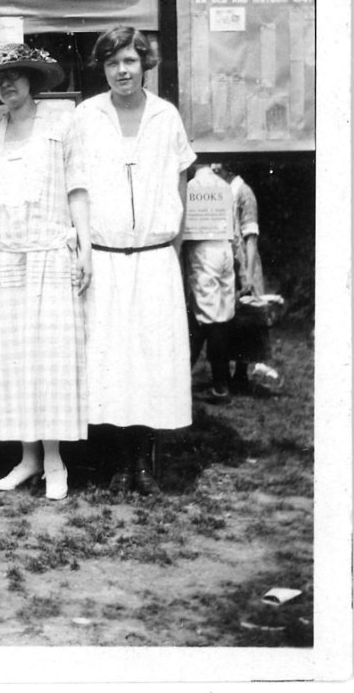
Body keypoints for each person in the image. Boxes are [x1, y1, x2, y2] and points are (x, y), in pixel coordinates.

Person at [72, 26, 195, 497]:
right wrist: (84, 248)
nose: (121, 71)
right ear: (102, 69)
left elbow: (179, 184)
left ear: (145, 63)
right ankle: (117, 462)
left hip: (153, 258)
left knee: (151, 360)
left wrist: (173, 247)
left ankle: (145, 461)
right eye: (111, 63)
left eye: (129, 61)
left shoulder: (166, 117)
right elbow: (78, 188)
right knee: (110, 361)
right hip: (104, 259)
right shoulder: (86, 116)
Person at [0, 44, 91, 500]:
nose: (7, 84)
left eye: (15, 75)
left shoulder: (61, 124)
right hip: (1, 256)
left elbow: (78, 188)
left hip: (49, 253)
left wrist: (85, 249)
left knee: (50, 358)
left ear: (32, 79)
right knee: (11, 358)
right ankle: (27, 459)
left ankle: (55, 460)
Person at [210, 161, 271, 394]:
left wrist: (248, 271)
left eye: (218, 164)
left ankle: (241, 373)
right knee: (227, 317)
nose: (214, 168)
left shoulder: (244, 192)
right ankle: (224, 370)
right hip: (228, 261)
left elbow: (251, 236)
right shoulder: (221, 191)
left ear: (229, 166)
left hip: (245, 261)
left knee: (247, 319)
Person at [183, 164, 238, 403]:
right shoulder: (224, 186)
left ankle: (220, 385)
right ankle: (219, 379)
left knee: (209, 319)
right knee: (222, 316)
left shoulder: (190, 187)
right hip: (224, 249)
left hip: (204, 251)